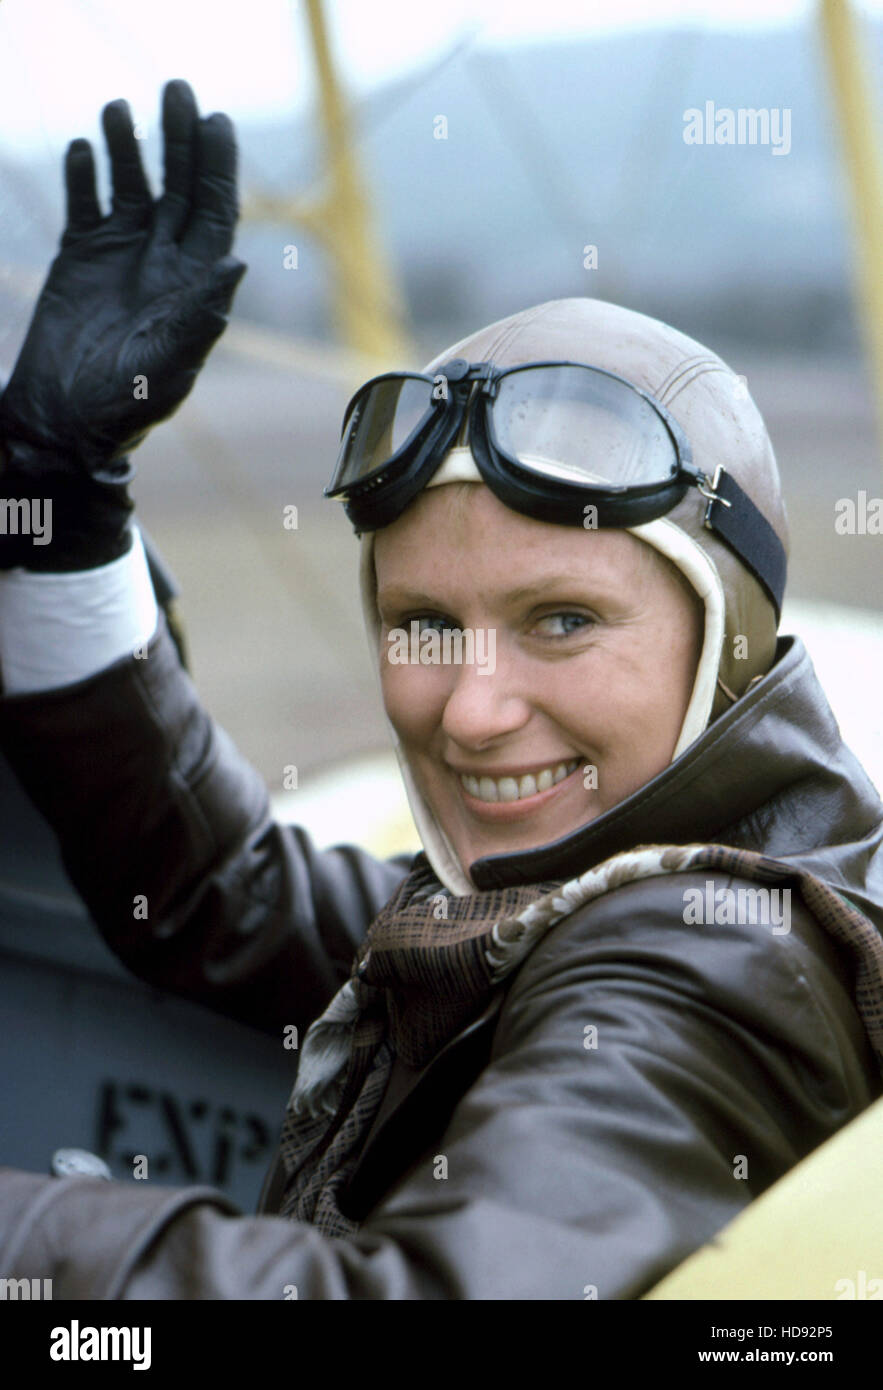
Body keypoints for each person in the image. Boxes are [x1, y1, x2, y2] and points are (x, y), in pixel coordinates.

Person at [0, 80, 881, 1301]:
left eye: (561, 621)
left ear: (724, 641)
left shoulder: (715, 959)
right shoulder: (556, 893)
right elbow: (221, 895)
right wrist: (60, 506)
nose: (471, 712)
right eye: (422, 625)